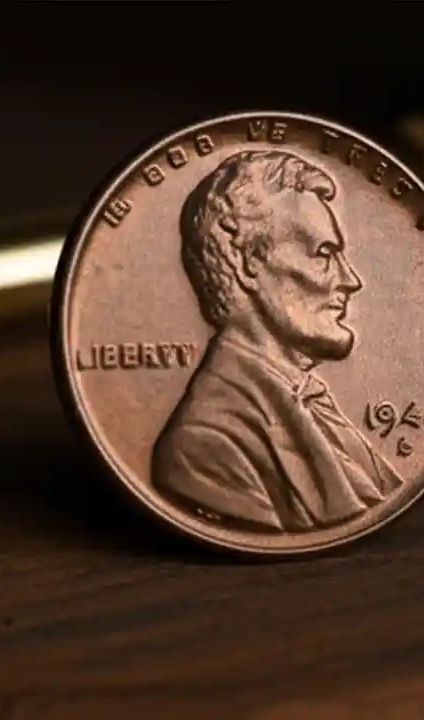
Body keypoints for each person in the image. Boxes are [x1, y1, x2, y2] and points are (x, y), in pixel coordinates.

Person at [151, 149, 404, 532]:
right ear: (246, 263)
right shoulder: (202, 446)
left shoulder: (311, 401)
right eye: (323, 254)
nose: (350, 280)